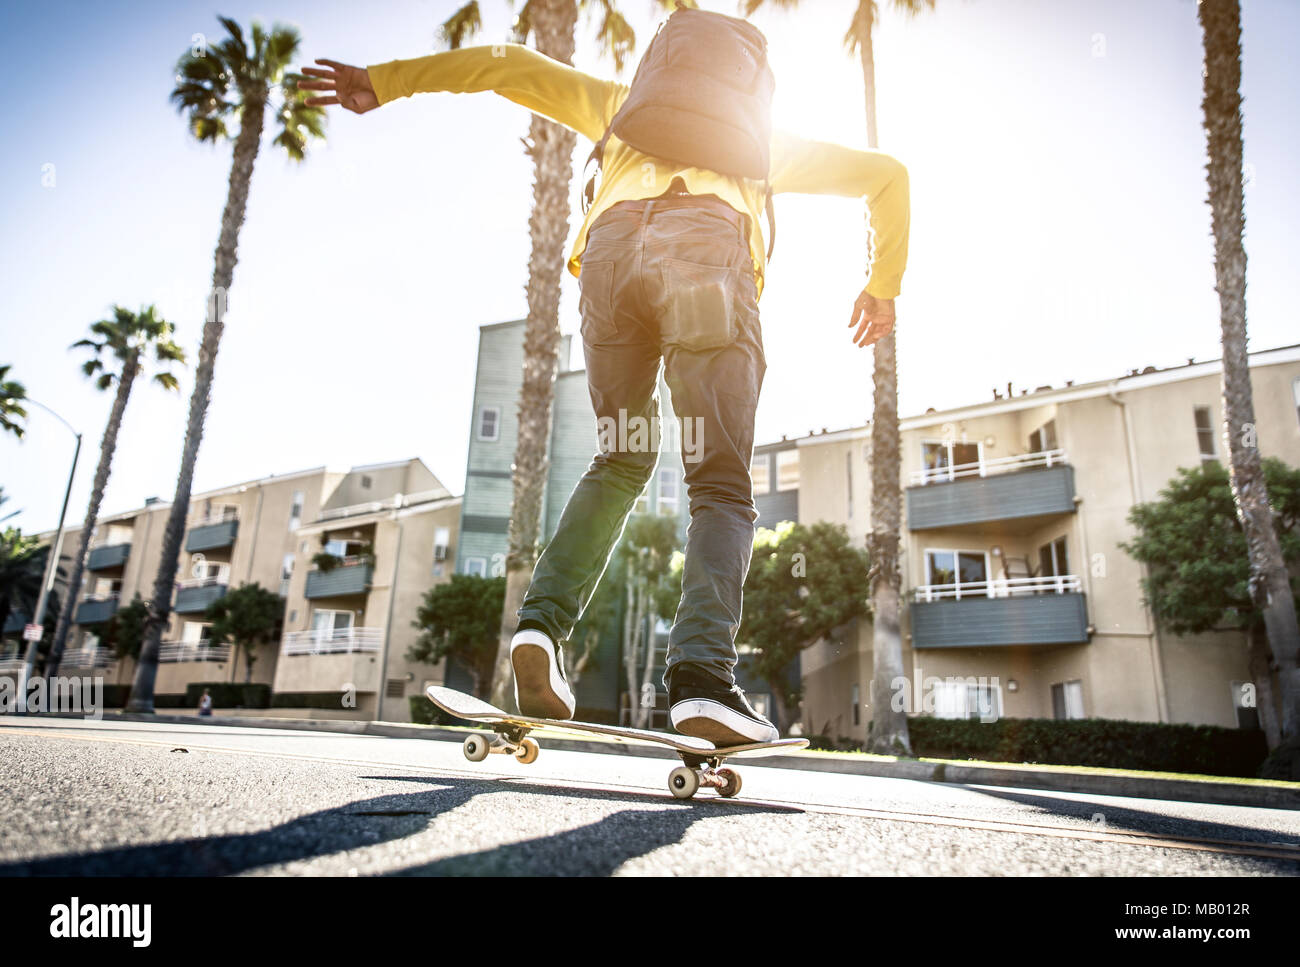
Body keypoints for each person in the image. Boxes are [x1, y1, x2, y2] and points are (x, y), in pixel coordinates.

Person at [299, 30, 909, 746]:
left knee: (622, 457)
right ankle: (703, 679)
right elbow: (888, 175)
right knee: (717, 479)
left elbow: (507, 66)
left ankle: (541, 628)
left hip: (612, 266)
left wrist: (387, 78)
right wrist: (882, 283)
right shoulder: (761, 141)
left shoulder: (622, 106)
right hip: (706, 261)